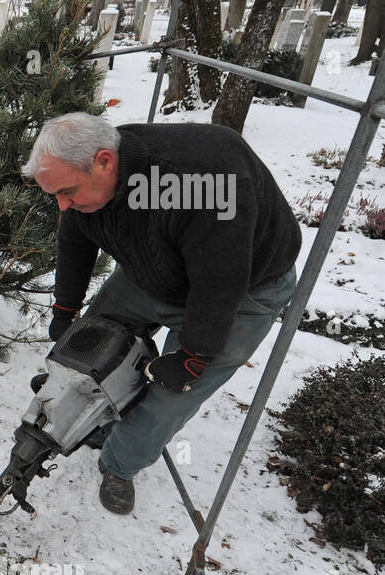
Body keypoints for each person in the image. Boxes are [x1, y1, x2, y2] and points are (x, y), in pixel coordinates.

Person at [23, 112, 301, 515]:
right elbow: (75, 242)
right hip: (153, 268)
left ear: (104, 161)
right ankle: (95, 413)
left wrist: (193, 356)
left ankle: (120, 464)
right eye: (56, 196)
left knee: (171, 395)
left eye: (67, 191)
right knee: (90, 346)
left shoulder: (201, 182)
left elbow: (219, 280)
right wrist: (66, 310)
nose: (63, 204)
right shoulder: (88, 190)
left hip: (243, 289)